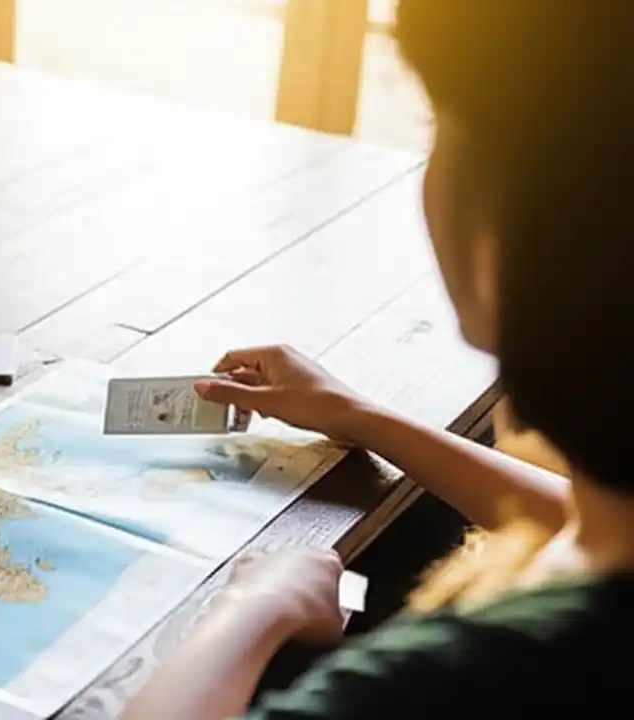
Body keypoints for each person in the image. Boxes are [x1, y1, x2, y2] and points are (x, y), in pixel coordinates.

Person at [120, 2, 634, 717]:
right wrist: (359, 416)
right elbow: (584, 518)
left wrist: (252, 609)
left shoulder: (465, 681)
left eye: (434, 130)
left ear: (500, 242)